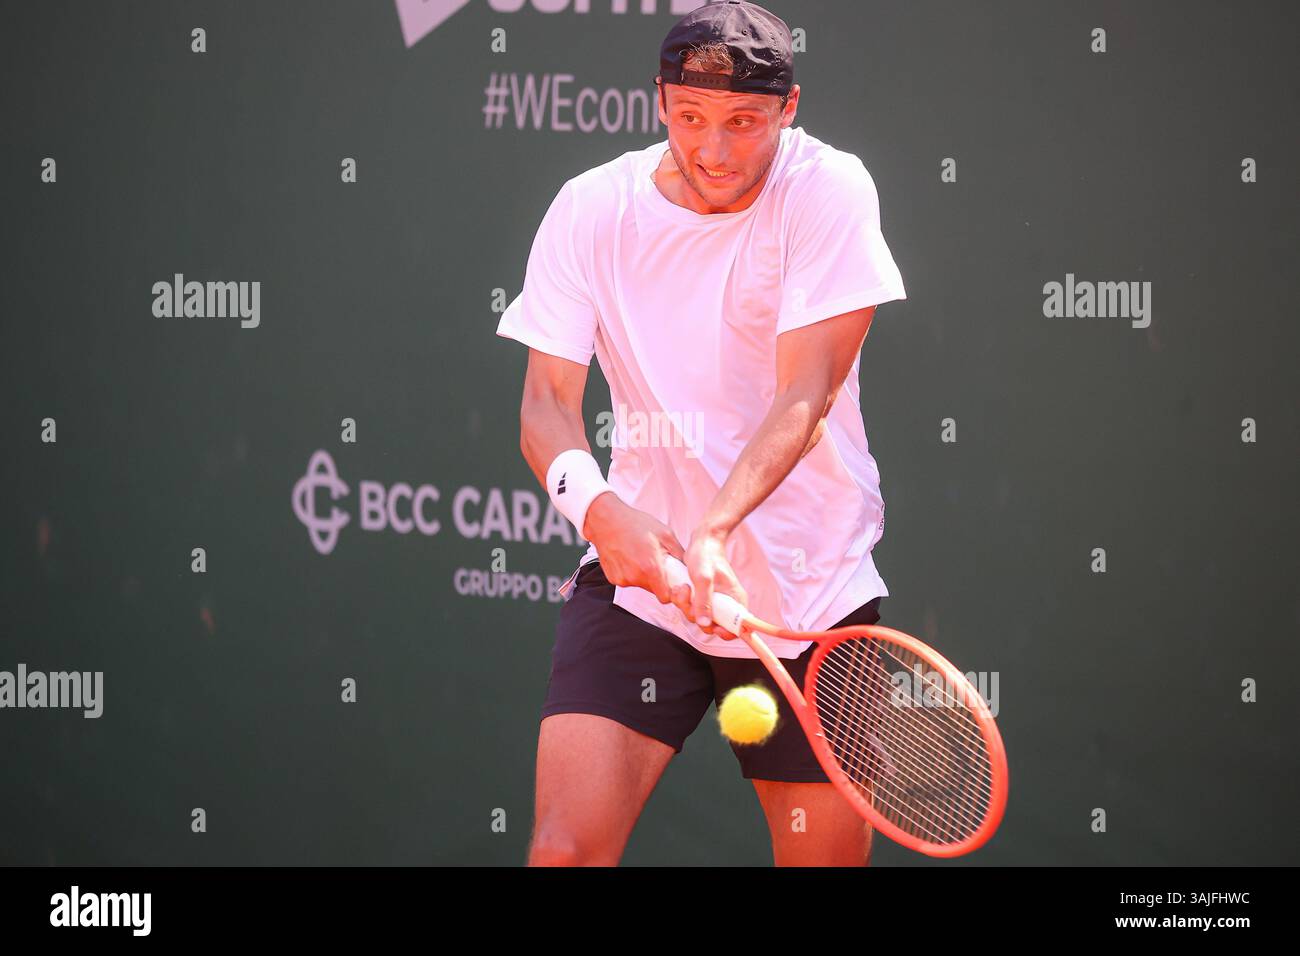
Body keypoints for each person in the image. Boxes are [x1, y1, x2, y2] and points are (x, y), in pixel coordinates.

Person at [496, 0, 907, 866]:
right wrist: (603, 516)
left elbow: (808, 390)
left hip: (807, 603)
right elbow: (545, 405)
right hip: (643, 590)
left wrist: (717, 530)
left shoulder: (829, 191)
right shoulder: (591, 209)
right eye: (690, 119)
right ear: (658, 102)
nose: (714, 150)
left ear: (788, 112)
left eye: (743, 123)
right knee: (563, 853)